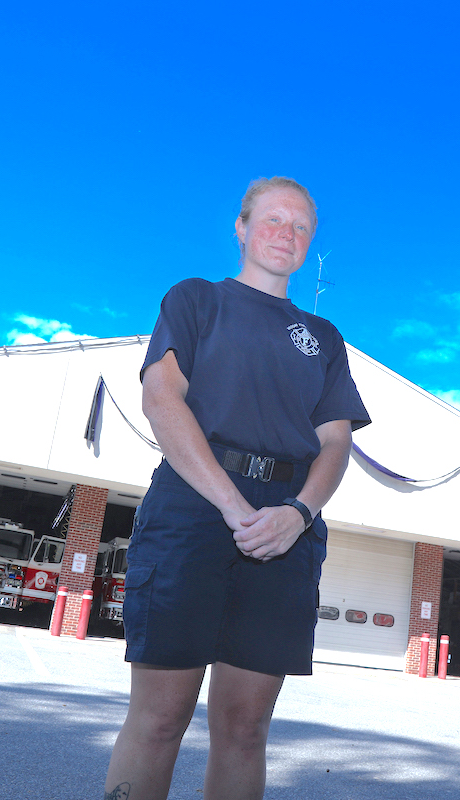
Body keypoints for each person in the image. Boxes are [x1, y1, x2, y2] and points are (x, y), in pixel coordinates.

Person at [103, 177, 370, 800]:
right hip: (192, 509)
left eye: (301, 226)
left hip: (285, 528)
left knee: (245, 728)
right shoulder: (195, 301)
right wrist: (232, 505)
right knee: (160, 720)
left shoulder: (323, 339)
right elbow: (160, 398)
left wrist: (298, 513)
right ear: (241, 227)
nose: (287, 234)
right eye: (273, 220)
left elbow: (335, 443)